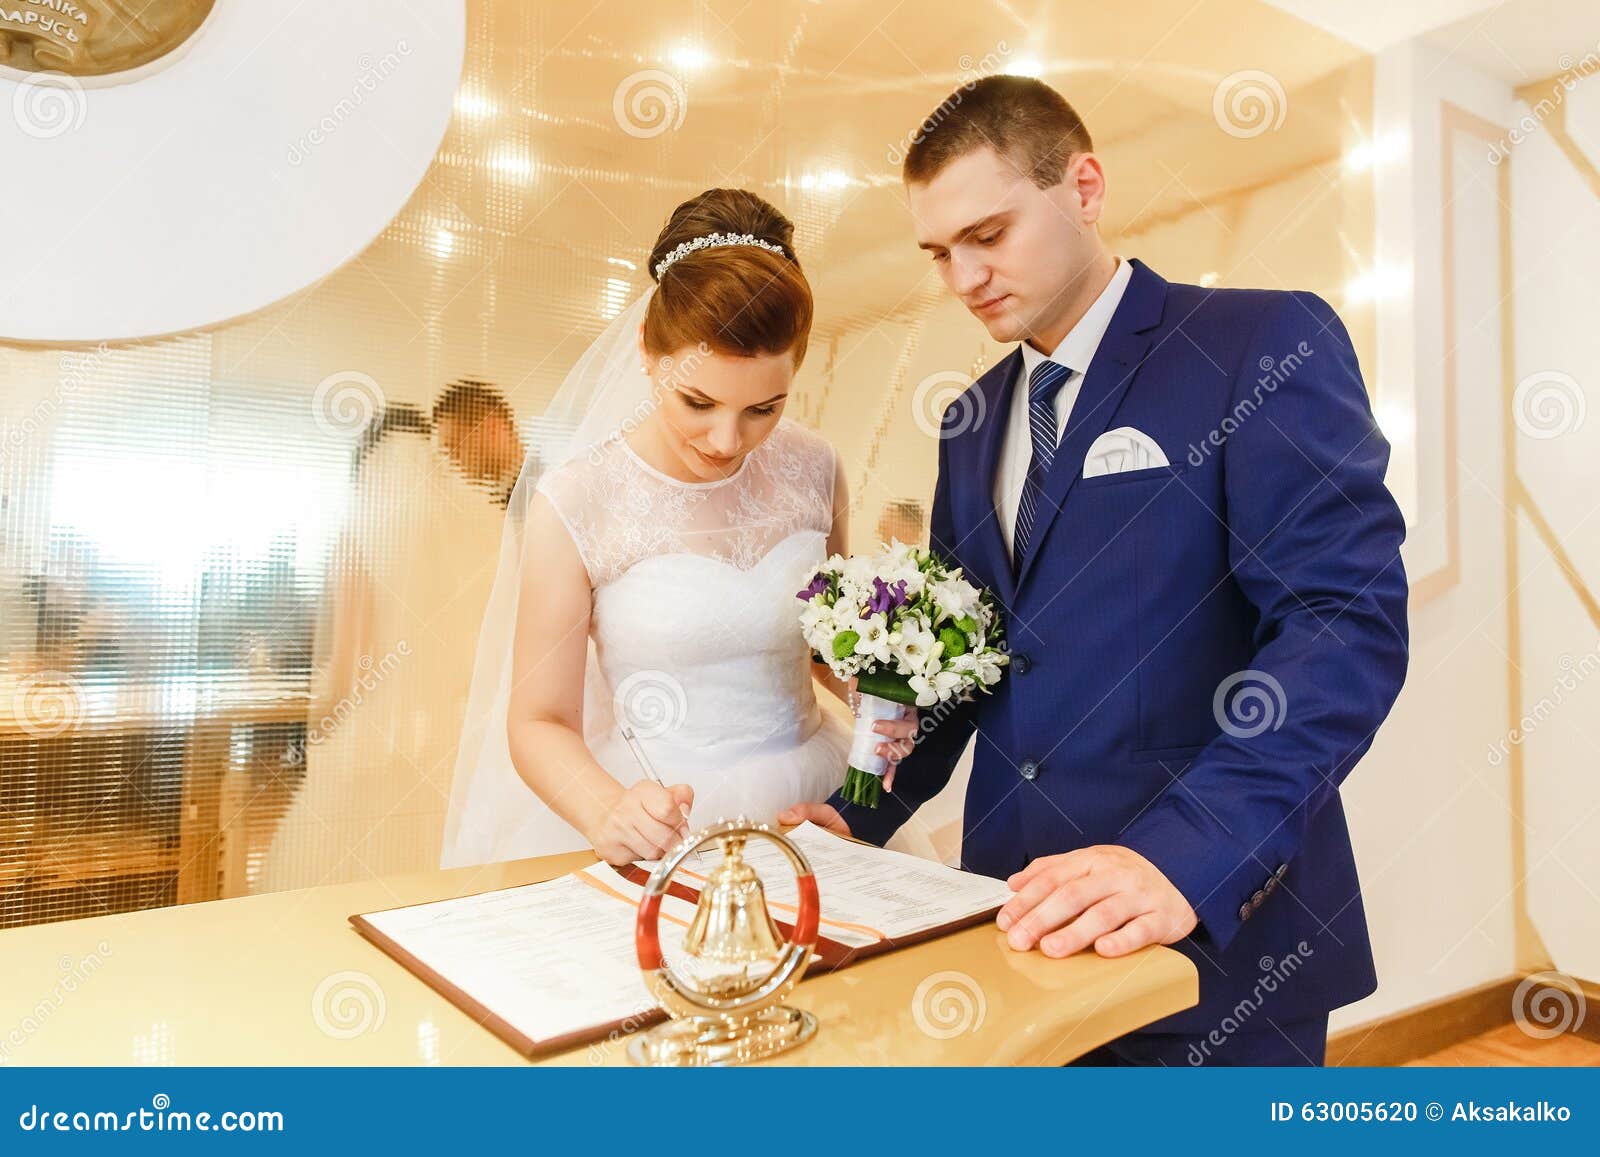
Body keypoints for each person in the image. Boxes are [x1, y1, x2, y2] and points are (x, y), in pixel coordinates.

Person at [782, 75, 1410, 1066]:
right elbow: (964, 654)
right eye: (939, 252)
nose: (962, 276)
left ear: (1082, 186)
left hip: (1213, 935)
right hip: (1010, 922)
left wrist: (1181, 852)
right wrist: (859, 809)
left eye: (987, 233)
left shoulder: (1258, 343)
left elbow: (1341, 627)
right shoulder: (970, 418)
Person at [440, 188, 919, 868]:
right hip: (663, 815)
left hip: (816, 799)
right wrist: (606, 809)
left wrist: (882, 691)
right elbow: (538, 721)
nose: (727, 438)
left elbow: (823, 647)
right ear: (647, 350)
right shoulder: (578, 498)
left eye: (764, 407)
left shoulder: (815, 467)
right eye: (698, 400)